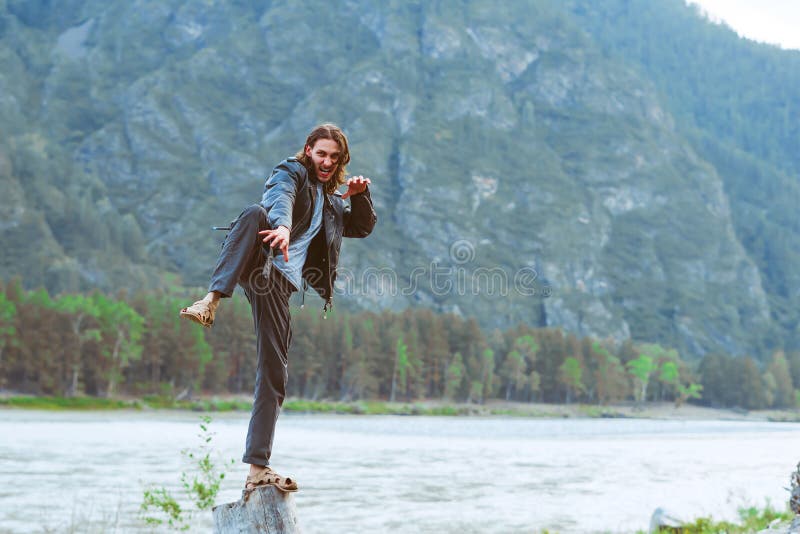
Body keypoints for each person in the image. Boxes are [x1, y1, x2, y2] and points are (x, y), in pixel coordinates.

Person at [179, 123, 377, 492]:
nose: (327, 161)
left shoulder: (333, 204)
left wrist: (360, 195)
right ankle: (210, 300)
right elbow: (278, 197)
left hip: (279, 287)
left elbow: (362, 227)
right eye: (321, 153)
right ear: (308, 150)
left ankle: (257, 471)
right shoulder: (291, 172)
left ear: (341, 161)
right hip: (261, 261)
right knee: (255, 213)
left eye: (334, 157)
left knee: (275, 372)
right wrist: (282, 227)